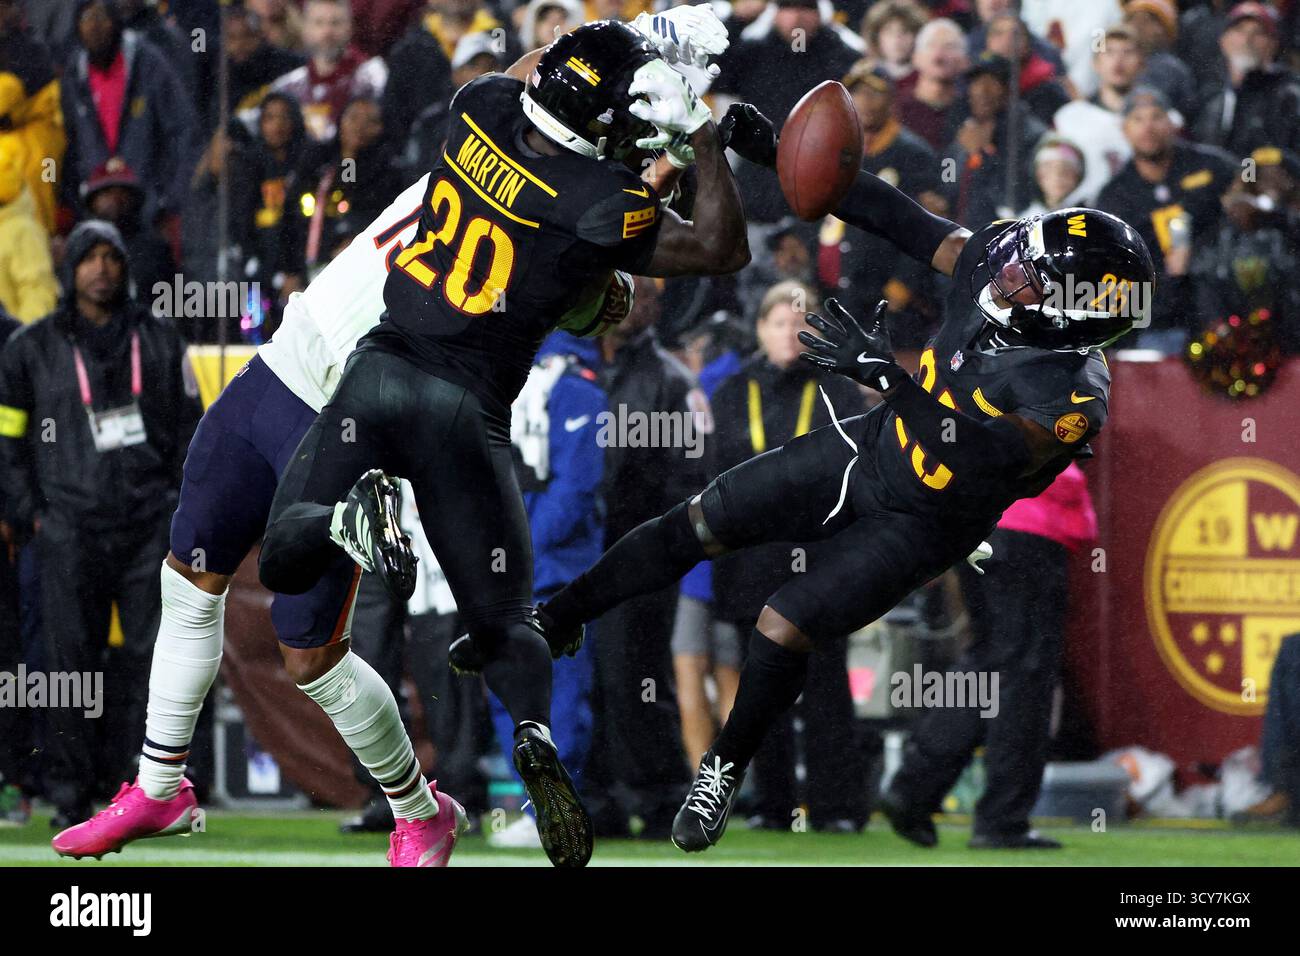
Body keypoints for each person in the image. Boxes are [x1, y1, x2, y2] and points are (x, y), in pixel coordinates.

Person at [533, 104, 1155, 853]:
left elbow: (978, 458)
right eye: (1024, 256)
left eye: (1033, 276)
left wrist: (889, 380)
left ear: (1071, 312)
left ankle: (724, 769)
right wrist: (783, 157)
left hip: (929, 520)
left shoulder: (1073, 392)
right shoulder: (1001, 262)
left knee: (783, 621)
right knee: (703, 519)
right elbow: (899, 218)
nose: (1012, 270)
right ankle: (560, 615)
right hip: (872, 447)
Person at [257, 16, 747, 869]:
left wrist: (618, 43)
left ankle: (347, 526)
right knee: (503, 619)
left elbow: (535, 72)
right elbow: (720, 245)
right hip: (464, 414)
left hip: (380, 372)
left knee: (287, 549)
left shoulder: (476, 106)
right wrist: (696, 127)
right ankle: (531, 732)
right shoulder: (601, 204)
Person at [0, 221, 202, 829]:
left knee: (154, 665)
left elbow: (192, 432)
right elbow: (7, 444)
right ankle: (68, 793)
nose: (102, 268)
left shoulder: (162, 340)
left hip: (148, 529)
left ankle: (148, 790)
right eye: (89, 257)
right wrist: (30, 514)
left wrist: (177, 507)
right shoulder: (30, 348)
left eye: (113, 256)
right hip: (66, 528)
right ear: (69, 267)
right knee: (69, 666)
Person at [707, 280, 870, 833]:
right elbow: (711, 476)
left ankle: (837, 807)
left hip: (822, 562)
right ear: (759, 329)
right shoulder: (731, 392)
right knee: (761, 689)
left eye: (799, 324)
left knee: (826, 687)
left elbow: (859, 473)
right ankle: (771, 804)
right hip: (750, 563)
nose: (788, 334)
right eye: (777, 322)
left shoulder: (837, 392)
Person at [882, 462, 1097, 849]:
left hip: (981, 522)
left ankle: (914, 787)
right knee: (1024, 678)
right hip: (1030, 523)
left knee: (988, 662)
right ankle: (1001, 818)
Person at [1096, 87, 1236, 352]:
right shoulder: (1114, 196)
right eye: (1138, 120)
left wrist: (1243, 197)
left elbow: (1248, 175)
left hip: (1220, 299)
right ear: (1124, 129)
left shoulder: (1211, 165)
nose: (1148, 128)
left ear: (1172, 123)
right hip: (1160, 317)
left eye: (1156, 117)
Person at [60, 0, 199, 229]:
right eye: (86, 18)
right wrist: (65, 200)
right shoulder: (73, 75)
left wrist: (171, 199)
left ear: (115, 21)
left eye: (100, 17)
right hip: (93, 211)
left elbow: (183, 132)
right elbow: (61, 146)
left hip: (149, 212)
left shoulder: (149, 63)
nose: (94, 26)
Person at [265, 0, 388, 143]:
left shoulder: (372, 78)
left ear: (350, 28)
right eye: (319, 23)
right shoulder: (287, 87)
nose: (327, 32)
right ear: (305, 29)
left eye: (335, 23)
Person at [1053, 24, 1146, 207]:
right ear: (1095, 63)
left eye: (1127, 52)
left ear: (1142, 64)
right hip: (1084, 215)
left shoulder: (1165, 119)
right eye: (1109, 52)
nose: (1118, 60)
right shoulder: (1069, 118)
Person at [1193, 2, 1300, 157]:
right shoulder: (1209, 97)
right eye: (1239, 30)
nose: (1247, 39)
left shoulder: (1289, 94)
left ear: (1273, 44)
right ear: (1223, 41)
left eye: (1258, 33)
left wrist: (1247, 176)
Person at [893, 17, 968, 152]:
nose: (938, 56)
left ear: (965, 61)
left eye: (949, 47)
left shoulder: (971, 111)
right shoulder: (895, 107)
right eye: (931, 45)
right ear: (915, 57)